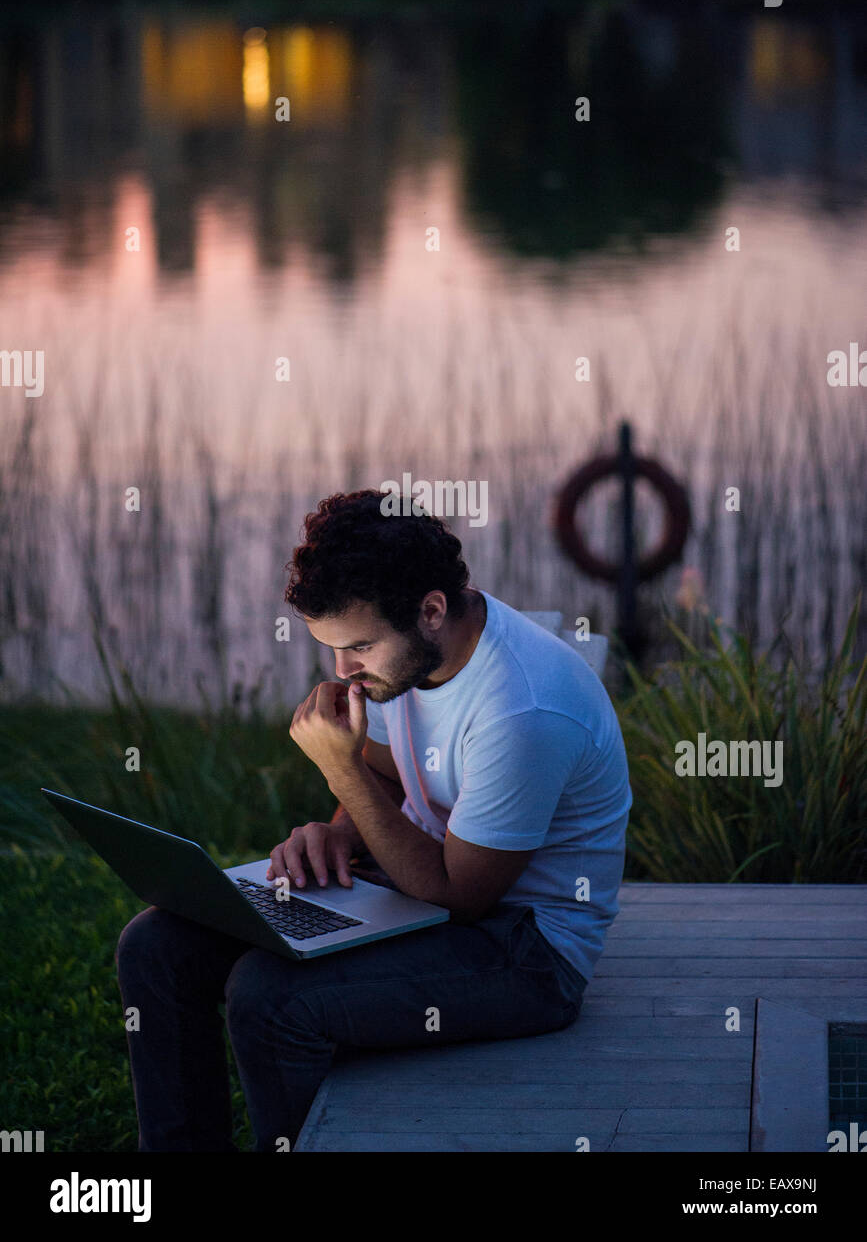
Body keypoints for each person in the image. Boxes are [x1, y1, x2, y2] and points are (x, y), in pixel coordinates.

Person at [116, 489, 632, 1151]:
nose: (343, 672)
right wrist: (337, 831)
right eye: (332, 649)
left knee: (270, 998)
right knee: (156, 946)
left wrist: (340, 770)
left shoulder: (522, 709)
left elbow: (462, 895)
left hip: (524, 947)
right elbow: (387, 777)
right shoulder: (409, 660)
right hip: (411, 890)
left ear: (431, 610)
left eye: (358, 646)